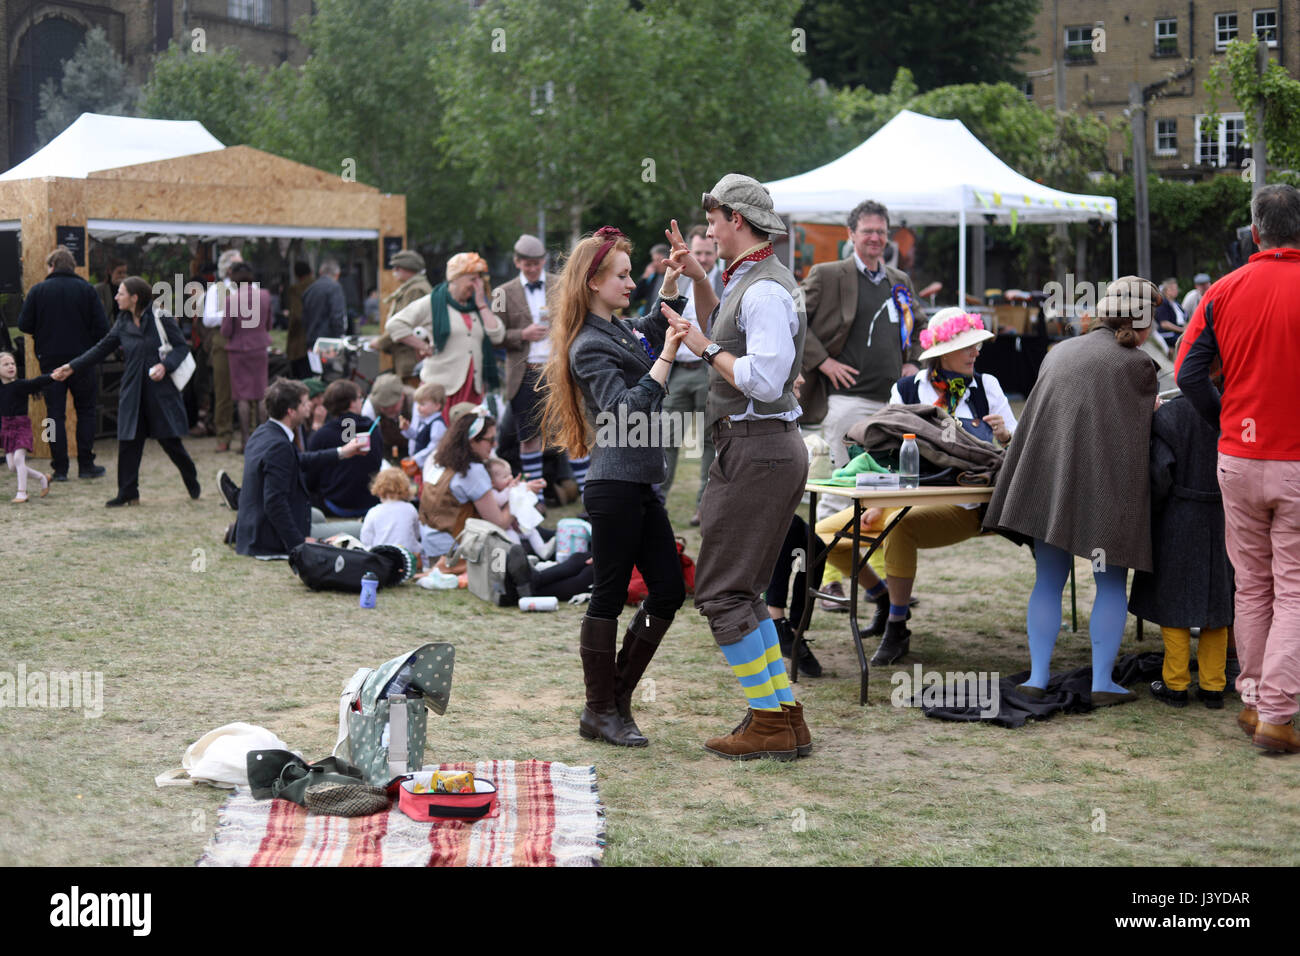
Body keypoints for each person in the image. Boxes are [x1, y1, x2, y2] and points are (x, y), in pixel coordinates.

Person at [662, 174, 812, 761]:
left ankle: (772, 722)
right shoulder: (751, 279)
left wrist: (701, 345)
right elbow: (727, 325)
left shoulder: (766, 291)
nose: (706, 230)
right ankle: (782, 716)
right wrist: (698, 279)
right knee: (744, 591)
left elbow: (764, 378)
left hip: (758, 449)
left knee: (723, 592)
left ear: (737, 221)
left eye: (713, 220)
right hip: (758, 447)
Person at [538, 226, 687, 748]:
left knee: (669, 589)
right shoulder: (588, 345)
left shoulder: (617, 329)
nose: (630, 282)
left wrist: (670, 280)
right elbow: (625, 411)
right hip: (614, 485)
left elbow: (648, 325)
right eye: (622, 276)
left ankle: (612, 702)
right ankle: (601, 709)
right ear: (595, 282)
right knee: (607, 595)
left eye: (630, 274)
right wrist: (667, 357)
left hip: (639, 482)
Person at [983, 276, 1162, 706]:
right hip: (1105, 492)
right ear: (1142, 321)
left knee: (1048, 579)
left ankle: (1038, 677)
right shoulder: (1136, 364)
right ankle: (1102, 682)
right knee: (1110, 580)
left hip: (1049, 486)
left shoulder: (1058, 352)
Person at [1176, 183, 1300, 751]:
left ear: (1255, 232)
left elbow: (1187, 375)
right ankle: (1276, 712)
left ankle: (1254, 702)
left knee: (1251, 587)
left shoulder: (1222, 291)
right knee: (1293, 590)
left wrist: (1225, 420)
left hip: (1241, 457)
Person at [829, 309, 1016, 666]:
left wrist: (1005, 436)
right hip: (907, 496)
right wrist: (879, 504)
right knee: (826, 535)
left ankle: (898, 627)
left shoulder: (986, 386)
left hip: (968, 504)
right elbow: (888, 451)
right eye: (966, 346)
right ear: (941, 352)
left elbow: (1020, 447)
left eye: (976, 346)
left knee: (903, 528)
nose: (975, 353)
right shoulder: (907, 389)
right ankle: (884, 598)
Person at [1127, 382, 1233, 710]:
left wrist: (1155, 513)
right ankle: (1213, 686)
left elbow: (1160, 475)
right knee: (1217, 602)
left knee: (1175, 601)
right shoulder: (1233, 411)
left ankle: (1176, 684)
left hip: (1178, 516)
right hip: (1221, 518)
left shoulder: (1168, 416)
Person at [55, 277, 201, 507]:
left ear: (134, 298)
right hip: (133, 390)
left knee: (169, 440)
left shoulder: (160, 317)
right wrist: (72, 366)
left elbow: (181, 346)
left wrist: (166, 365)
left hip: (159, 391)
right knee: (128, 441)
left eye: (121, 293)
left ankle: (190, 475)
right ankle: (128, 492)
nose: (116, 297)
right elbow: (101, 348)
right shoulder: (122, 322)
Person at [233, 378, 366, 556]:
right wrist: (299, 544)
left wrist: (342, 452)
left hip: (255, 524)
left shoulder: (264, 432)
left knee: (317, 515)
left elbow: (298, 460)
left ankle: (233, 531)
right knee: (359, 529)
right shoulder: (279, 445)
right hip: (268, 537)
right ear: (291, 411)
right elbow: (274, 502)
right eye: (304, 403)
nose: (309, 406)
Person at [494, 235, 584, 497]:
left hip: (558, 371)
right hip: (524, 374)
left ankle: (588, 493)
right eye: (526, 264)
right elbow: (493, 335)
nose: (532, 269)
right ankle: (535, 498)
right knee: (529, 438)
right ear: (517, 262)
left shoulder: (561, 285)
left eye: (536, 263)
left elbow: (576, 319)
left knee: (571, 432)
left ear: (543, 261)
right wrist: (521, 334)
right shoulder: (502, 293)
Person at [17, 245, 110, 480]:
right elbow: (103, 329)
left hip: (50, 364)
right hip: (83, 361)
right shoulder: (87, 290)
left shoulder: (38, 291)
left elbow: (24, 325)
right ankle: (87, 465)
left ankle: (60, 468)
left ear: (51, 266)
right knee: (86, 412)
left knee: (53, 416)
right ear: (73, 266)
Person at [385, 252, 505, 422]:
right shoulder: (433, 303)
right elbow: (394, 325)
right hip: (440, 392)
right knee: (440, 440)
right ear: (455, 278)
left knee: (469, 440)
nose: (477, 285)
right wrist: (422, 346)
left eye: (479, 279)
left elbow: (497, 336)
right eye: (472, 279)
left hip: (472, 389)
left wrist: (482, 304)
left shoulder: (476, 306)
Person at [417, 409, 543, 562]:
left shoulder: (442, 460)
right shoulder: (472, 470)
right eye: (490, 440)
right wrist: (521, 493)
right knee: (528, 538)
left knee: (535, 532)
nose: (495, 444)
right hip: (456, 552)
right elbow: (499, 523)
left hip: (433, 548)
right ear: (472, 440)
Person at [661, 224, 724, 526]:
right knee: (666, 438)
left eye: (707, 253)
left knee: (711, 442)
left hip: (709, 370)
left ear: (715, 253)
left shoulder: (727, 282)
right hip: (677, 372)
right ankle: (657, 501)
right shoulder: (675, 278)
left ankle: (705, 506)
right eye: (697, 252)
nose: (702, 258)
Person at [306, 380, 384, 517]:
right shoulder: (373, 430)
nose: (362, 402)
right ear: (352, 403)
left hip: (335, 504)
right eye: (360, 398)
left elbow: (310, 478)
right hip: (370, 503)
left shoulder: (322, 435)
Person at [221, 262, 272, 452]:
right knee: (261, 395)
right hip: (259, 347)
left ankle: (245, 442)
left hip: (238, 350)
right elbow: (269, 323)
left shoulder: (231, 300)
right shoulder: (265, 296)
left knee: (242, 397)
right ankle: (264, 439)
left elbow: (226, 330)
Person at [202, 249, 242, 451]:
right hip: (223, 340)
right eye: (238, 264)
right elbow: (208, 319)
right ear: (227, 269)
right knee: (223, 391)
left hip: (245, 341)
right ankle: (224, 436)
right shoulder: (215, 290)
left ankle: (248, 436)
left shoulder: (249, 288)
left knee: (248, 391)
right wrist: (231, 313)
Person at [0, 350, 53, 502]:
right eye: (6, 364)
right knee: (12, 466)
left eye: (12, 364)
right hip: (6, 428)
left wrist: (52, 376)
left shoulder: (20, 385)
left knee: (18, 459)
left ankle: (22, 493)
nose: (11, 367)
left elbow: (36, 382)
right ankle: (43, 478)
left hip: (21, 426)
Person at [377, 250, 433, 382]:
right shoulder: (411, 287)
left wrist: (379, 343)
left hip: (411, 355)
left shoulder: (416, 290)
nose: (394, 271)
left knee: (411, 394)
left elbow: (402, 324)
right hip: (407, 353)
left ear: (409, 269)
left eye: (398, 267)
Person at [486, 456, 553, 557]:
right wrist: (510, 489)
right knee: (513, 540)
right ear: (492, 483)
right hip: (507, 529)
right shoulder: (493, 493)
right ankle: (522, 559)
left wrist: (522, 485)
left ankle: (542, 550)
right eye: (505, 477)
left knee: (532, 531)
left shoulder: (508, 488)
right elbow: (500, 500)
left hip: (519, 524)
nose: (510, 478)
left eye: (510, 475)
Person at [360, 469, 422, 553]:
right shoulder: (410, 509)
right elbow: (417, 533)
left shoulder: (374, 511)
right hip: (406, 554)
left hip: (382, 556)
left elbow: (366, 538)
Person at [302, 259, 347, 352]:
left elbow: (304, 318)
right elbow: (337, 316)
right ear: (337, 274)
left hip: (311, 341)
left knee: (315, 367)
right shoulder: (335, 287)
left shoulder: (309, 289)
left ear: (320, 272)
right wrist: (340, 336)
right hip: (328, 343)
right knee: (329, 366)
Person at [284, 261, 314, 379]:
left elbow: (296, 315)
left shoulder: (296, 290)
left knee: (300, 377)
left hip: (300, 340)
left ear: (296, 275)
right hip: (318, 337)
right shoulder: (318, 285)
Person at [408, 382, 447, 470]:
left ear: (437, 406)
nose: (418, 407)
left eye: (422, 404)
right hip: (422, 465)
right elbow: (418, 437)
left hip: (430, 465)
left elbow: (434, 447)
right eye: (418, 404)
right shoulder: (425, 421)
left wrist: (417, 458)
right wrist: (407, 430)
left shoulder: (437, 424)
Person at [1155, 277, 1187, 347]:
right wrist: (1182, 330)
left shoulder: (1176, 304)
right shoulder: (1162, 303)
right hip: (1168, 334)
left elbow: (1183, 319)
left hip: (1178, 333)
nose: (1176, 291)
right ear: (1166, 290)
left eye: (1176, 288)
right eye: (1172, 289)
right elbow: (1164, 324)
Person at [94, 261, 127, 328]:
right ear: (110, 272)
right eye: (119, 273)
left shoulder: (127, 289)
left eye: (124, 273)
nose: (122, 276)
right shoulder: (100, 289)